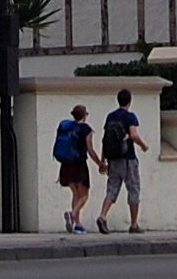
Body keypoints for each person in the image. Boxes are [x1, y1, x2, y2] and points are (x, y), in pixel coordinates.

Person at [95, 90, 146, 233]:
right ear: (130, 101)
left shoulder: (110, 117)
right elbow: (134, 135)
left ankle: (103, 216)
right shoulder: (130, 117)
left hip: (113, 160)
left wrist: (102, 160)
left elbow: (105, 140)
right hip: (128, 159)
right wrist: (143, 145)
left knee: (111, 190)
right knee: (133, 190)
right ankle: (134, 224)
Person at [54, 103, 100, 232]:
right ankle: (72, 214)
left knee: (76, 193)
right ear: (84, 115)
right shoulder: (86, 129)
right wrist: (100, 164)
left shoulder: (67, 127)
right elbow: (90, 150)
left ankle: (77, 224)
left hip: (66, 164)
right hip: (79, 165)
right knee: (84, 195)